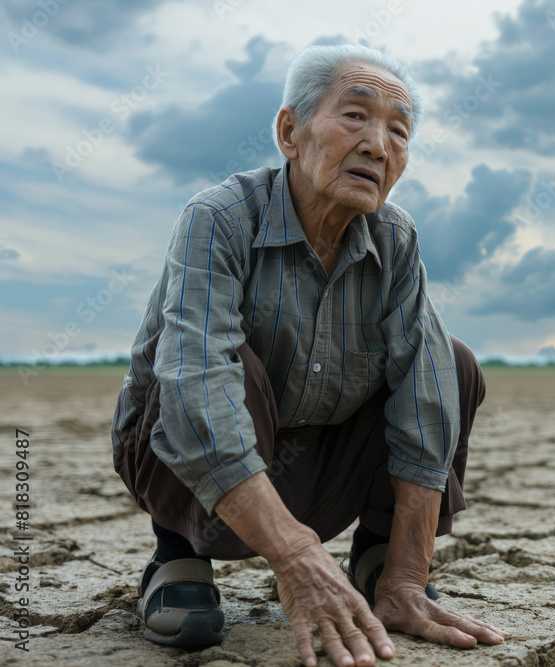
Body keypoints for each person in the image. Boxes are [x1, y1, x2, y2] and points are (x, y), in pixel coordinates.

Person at [111, 43, 507, 667]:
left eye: (399, 131)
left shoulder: (395, 240)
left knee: (449, 363)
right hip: (189, 476)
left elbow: (425, 396)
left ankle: (381, 565)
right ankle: (177, 556)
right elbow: (197, 386)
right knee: (210, 368)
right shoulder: (219, 218)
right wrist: (295, 555)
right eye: (356, 116)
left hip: (314, 478)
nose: (379, 144)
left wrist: (409, 574)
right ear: (290, 132)